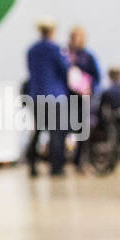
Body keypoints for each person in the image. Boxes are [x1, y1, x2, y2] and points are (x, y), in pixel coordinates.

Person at [25, 18, 70, 176]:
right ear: (52, 31)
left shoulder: (32, 50)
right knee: (56, 132)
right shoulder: (56, 49)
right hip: (55, 96)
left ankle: (31, 162)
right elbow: (65, 70)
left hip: (36, 95)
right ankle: (56, 167)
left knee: (37, 130)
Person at [67, 26, 100, 172]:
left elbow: (96, 77)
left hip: (83, 97)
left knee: (82, 129)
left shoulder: (88, 56)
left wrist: (89, 88)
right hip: (68, 97)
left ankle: (79, 160)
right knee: (66, 128)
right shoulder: (66, 55)